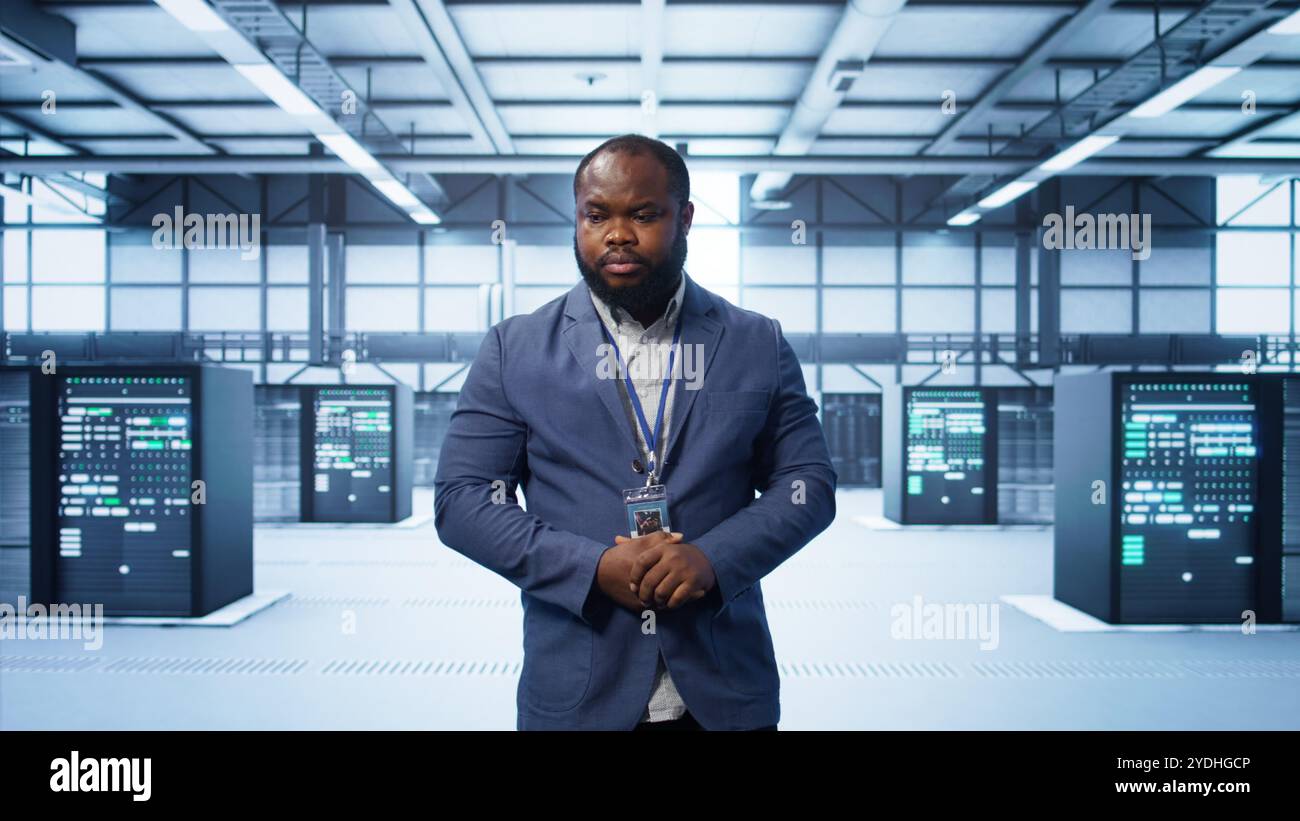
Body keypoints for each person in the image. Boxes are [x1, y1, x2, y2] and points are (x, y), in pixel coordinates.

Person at [433, 133, 837, 730]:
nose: (617, 234)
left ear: (686, 218)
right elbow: (462, 500)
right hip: (577, 698)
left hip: (725, 695)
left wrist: (714, 560)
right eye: (597, 216)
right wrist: (589, 569)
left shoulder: (758, 341)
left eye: (643, 215)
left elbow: (808, 483)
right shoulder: (513, 349)